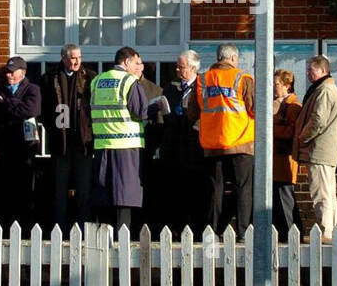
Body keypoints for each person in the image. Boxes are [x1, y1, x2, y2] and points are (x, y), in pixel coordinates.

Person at [186, 42, 255, 236]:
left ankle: (213, 231)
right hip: (240, 143)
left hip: (212, 144)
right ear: (233, 58)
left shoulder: (203, 80)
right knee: (243, 188)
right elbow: (254, 109)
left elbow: (192, 113)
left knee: (215, 189)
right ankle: (243, 233)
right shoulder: (243, 78)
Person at [89, 47, 147, 233]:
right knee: (124, 196)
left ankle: (103, 237)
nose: (137, 67)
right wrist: (155, 109)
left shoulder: (97, 81)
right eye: (136, 63)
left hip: (101, 144)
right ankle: (123, 238)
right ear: (127, 62)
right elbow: (140, 111)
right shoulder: (129, 81)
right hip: (126, 145)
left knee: (103, 195)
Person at [0, 56, 42, 231]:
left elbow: (31, 110)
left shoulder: (32, 89)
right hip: (3, 148)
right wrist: (15, 106)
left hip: (24, 149)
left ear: (22, 72)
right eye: (7, 72)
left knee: (23, 191)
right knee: (4, 192)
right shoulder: (0, 89)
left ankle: (23, 228)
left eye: (12, 72)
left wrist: (7, 104)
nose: (8, 75)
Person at [43, 44, 92, 233]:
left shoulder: (90, 77)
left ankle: (83, 229)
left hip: (83, 142)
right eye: (73, 58)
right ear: (63, 58)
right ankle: (58, 229)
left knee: (84, 189)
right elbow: (45, 110)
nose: (77, 61)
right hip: (60, 142)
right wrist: (53, 129)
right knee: (59, 189)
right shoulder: (49, 78)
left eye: (79, 57)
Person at [292, 56, 337, 243]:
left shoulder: (325, 91)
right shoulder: (327, 89)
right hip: (324, 149)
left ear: (322, 70)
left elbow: (318, 120)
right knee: (327, 192)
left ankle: (326, 232)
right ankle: (332, 230)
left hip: (319, 149)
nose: (308, 73)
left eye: (311, 70)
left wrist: (302, 137)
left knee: (321, 193)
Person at [153, 49, 204, 233]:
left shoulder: (201, 87)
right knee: (174, 191)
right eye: (177, 66)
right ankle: (175, 228)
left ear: (192, 68)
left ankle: (193, 228)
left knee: (193, 191)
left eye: (181, 67)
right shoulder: (170, 87)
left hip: (193, 146)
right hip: (172, 146)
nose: (177, 70)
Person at [271, 69, 303, 236]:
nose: (273, 87)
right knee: (278, 199)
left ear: (286, 85)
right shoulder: (278, 103)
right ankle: (287, 232)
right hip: (275, 161)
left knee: (285, 199)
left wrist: (269, 127)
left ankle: (291, 233)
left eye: (276, 84)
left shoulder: (293, 105)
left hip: (285, 160)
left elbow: (290, 131)